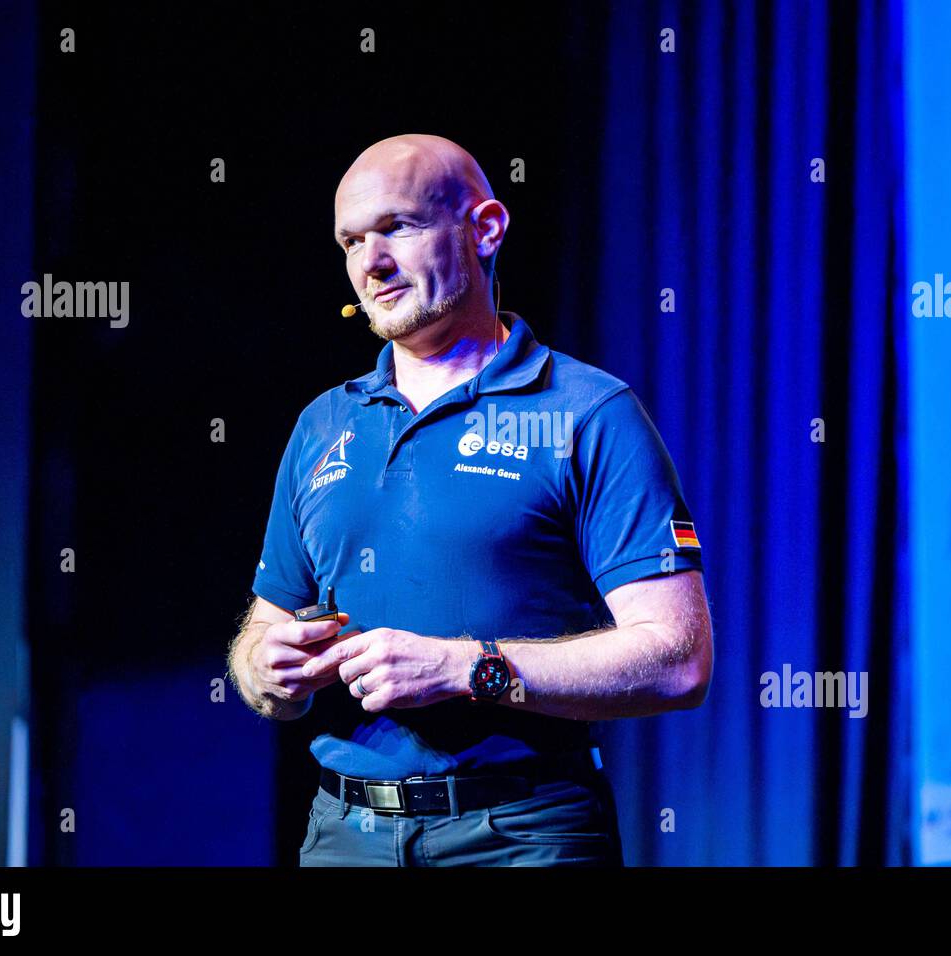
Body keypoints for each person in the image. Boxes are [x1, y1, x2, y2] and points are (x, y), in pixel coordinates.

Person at [227, 133, 712, 866]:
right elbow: (262, 635)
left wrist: (462, 669)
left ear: (485, 228)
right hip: (342, 835)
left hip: (522, 833)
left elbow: (678, 661)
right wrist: (265, 670)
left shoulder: (587, 412)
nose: (370, 263)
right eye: (351, 241)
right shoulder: (324, 423)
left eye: (397, 227)